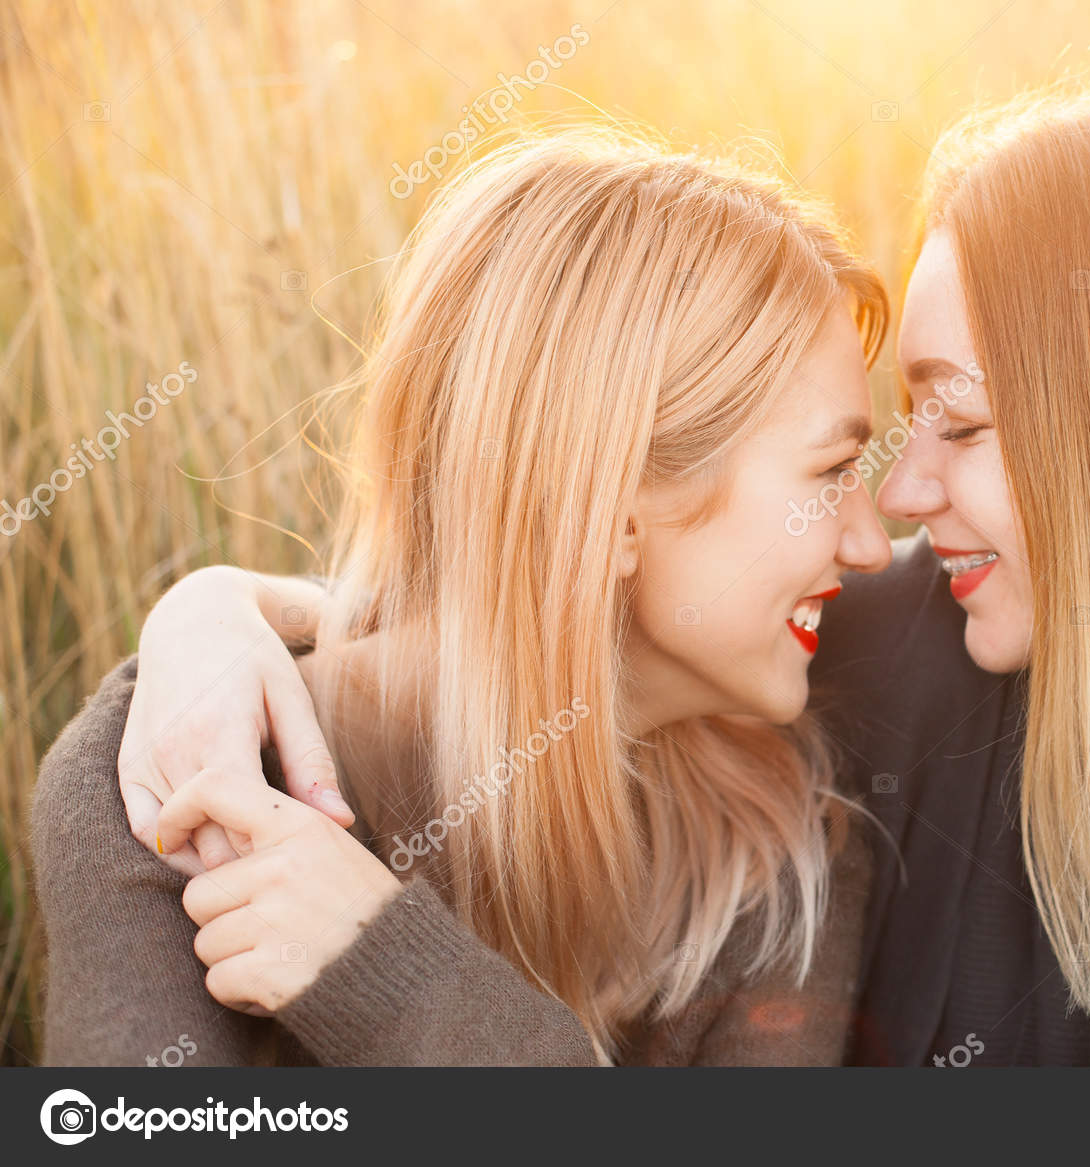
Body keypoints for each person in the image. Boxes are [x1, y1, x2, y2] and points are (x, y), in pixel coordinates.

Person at [97, 76, 1090, 1065]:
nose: (897, 497)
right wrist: (211, 620)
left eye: (958, 416)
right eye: (879, 435)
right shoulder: (916, 634)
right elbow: (559, 621)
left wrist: (395, 975)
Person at [31, 127, 895, 1065]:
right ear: (608, 509)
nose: (874, 543)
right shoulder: (175, 768)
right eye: (833, 469)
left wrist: (397, 985)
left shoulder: (776, 852)